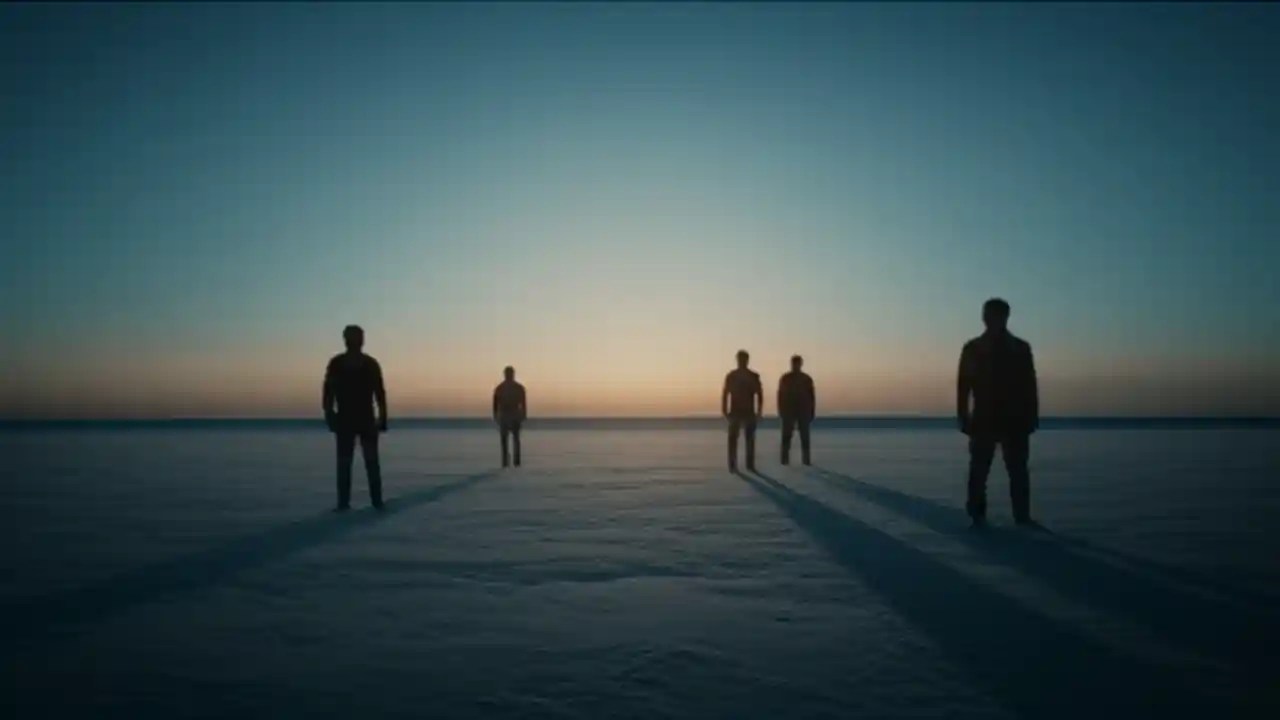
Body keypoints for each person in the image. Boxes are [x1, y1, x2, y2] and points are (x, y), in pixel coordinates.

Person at [957, 298, 1039, 527]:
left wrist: (1031, 416)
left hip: (1015, 419)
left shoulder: (1021, 348)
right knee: (979, 470)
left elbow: (1029, 385)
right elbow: (964, 386)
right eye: (988, 314)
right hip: (984, 418)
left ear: (1005, 317)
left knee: (1018, 471)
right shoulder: (973, 348)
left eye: (995, 315)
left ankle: (1022, 516)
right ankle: (976, 514)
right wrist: (964, 417)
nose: (991, 319)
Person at [323, 324, 387, 511]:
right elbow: (328, 393)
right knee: (347, 463)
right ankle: (346, 503)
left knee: (370, 462)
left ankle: (375, 501)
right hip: (347, 420)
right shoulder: (337, 364)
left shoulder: (370, 364)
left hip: (363, 419)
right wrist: (329, 414)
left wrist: (382, 418)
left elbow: (379, 393)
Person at [722, 350, 763, 471]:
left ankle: (749, 465)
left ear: (747, 360)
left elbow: (759, 394)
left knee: (749, 438)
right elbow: (725, 393)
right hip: (735, 411)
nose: (742, 361)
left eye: (744, 359)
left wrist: (759, 411)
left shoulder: (753, 376)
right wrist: (724, 409)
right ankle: (732, 464)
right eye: (740, 359)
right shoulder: (732, 376)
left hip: (748, 411)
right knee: (733, 438)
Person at [777, 354, 816, 465]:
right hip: (788, 411)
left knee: (804, 438)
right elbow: (780, 395)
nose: (796, 365)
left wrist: (811, 411)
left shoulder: (806, 379)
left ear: (801, 364)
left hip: (803, 411)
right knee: (786, 437)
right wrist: (781, 410)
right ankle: (784, 460)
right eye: (794, 363)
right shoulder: (785, 378)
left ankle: (806, 460)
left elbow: (811, 396)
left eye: (797, 363)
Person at [493, 366, 527, 468]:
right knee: (506, 440)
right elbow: (495, 404)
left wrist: (523, 414)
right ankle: (506, 462)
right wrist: (496, 415)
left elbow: (523, 403)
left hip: (514, 414)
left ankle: (515, 462)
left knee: (514, 439)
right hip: (506, 415)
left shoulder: (518, 387)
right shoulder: (500, 388)